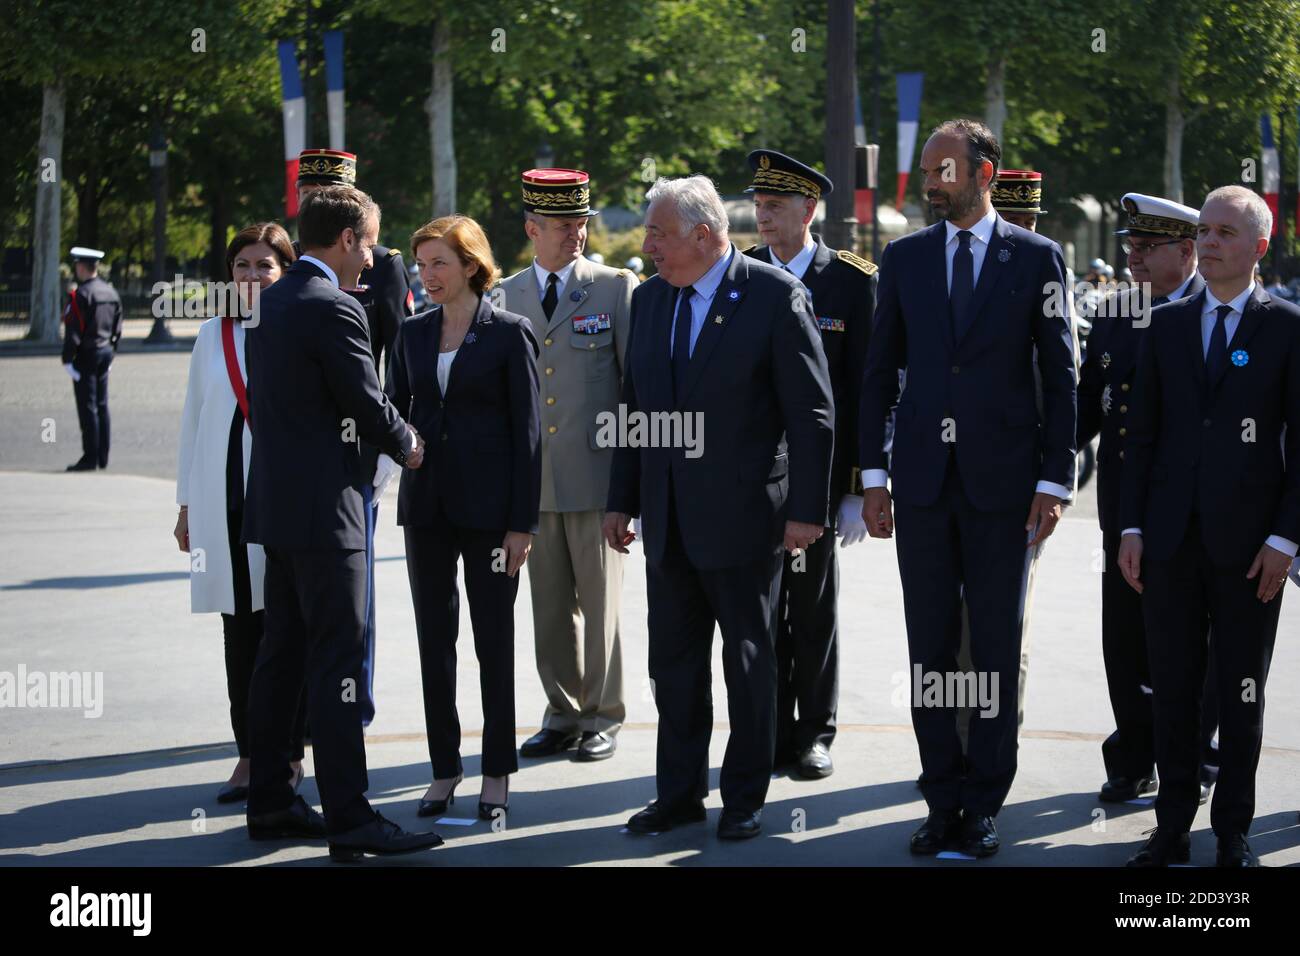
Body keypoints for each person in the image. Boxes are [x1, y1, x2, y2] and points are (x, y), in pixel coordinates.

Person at [859, 119, 1076, 859]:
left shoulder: (1038, 258)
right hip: (921, 484)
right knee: (930, 650)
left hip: (1005, 490)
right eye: (927, 171)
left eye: (943, 170)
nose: (930, 183)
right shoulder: (907, 259)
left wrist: (1054, 479)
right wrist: (875, 476)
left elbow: (1061, 378)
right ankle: (940, 797)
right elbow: (878, 370)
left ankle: (984, 802)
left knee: (992, 648)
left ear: (984, 174)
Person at [604, 175, 834, 840]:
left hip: (744, 520)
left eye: (657, 234)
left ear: (703, 236)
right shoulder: (650, 301)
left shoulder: (774, 296)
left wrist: (807, 510)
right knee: (672, 667)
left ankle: (744, 798)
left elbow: (812, 414)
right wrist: (622, 498)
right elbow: (634, 408)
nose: (646, 246)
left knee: (748, 661)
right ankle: (678, 795)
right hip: (667, 521)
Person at [241, 185, 442, 861]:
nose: (377, 256)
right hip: (329, 512)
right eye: (374, 241)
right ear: (349, 238)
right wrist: (410, 443)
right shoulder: (334, 306)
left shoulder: (269, 301)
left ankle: (269, 800)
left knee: (282, 657)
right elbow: (365, 397)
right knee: (338, 665)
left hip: (279, 509)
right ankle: (351, 818)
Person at [1118, 186, 1300, 868]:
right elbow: (1142, 438)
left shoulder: (1284, 328)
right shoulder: (1165, 323)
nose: (1212, 241)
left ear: (1258, 248)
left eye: (1227, 232)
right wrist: (1132, 528)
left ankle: (1232, 831)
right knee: (1173, 688)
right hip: (1168, 541)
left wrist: (1284, 540)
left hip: (1252, 550)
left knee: (1242, 691)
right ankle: (1170, 829)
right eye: (1208, 230)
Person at [386, 215, 541, 820]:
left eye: (439, 264)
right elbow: (392, 409)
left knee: (493, 641)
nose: (427, 275)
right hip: (426, 509)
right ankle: (444, 768)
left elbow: (529, 437)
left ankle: (497, 769)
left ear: (472, 265)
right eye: (422, 265)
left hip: (492, 515)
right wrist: (399, 445)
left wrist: (521, 524)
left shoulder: (509, 332)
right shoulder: (412, 333)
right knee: (434, 642)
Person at [1078, 193, 1219, 806]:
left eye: (1145, 247)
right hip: (1123, 508)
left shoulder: (1215, 313)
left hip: (1196, 510)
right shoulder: (1114, 313)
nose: (1131, 258)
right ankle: (1135, 756)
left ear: (1186, 253)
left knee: (1200, 641)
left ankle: (1195, 755)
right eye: (1129, 247)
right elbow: (1086, 407)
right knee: (1126, 638)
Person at [743, 148, 876, 779]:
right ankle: (768, 730)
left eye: (775, 206)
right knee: (760, 613)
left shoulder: (852, 281)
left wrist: (857, 486)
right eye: (758, 206)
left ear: (809, 209)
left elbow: (867, 394)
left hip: (819, 481)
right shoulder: (738, 275)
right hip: (753, 482)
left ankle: (815, 731)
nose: (763, 217)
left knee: (813, 610)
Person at [499, 169, 635, 763]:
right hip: (534, 484)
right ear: (532, 229)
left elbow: (634, 388)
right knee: (549, 608)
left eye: (580, 224)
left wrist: (631, 486)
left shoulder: (614, 287)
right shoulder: (503, 295)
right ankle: (562, 713)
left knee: (602, 607)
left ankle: (603, 715)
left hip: (599, 479)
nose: (574, 235)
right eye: (560, 226)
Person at [175, 222, 307, 804]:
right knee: (240, 631)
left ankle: (290, 755)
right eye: (242, 266)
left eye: (265, 265)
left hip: (283, 498)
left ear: (286, 269)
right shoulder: (211, 333)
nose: (252, 276)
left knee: (285, 628)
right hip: (222, 500)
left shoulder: (302, 322)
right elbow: (193, 419)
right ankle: (248, 756)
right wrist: (185, 505)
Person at [294, 147, 415, 726]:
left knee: (351, 590)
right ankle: (301, 708)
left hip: (358, 448)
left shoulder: (381, 264)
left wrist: (392, 442)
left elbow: (400, 355)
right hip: (293, 444)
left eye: (326, 192)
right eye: (308, 192)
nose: (313, 200)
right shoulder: (282, 259)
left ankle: (350, 704)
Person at [61, 247, 123, 471]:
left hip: (87, 354)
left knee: (87, 407)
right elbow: (118, 327)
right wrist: (112, 351)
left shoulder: (80, 295)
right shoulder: (111, 293)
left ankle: (89, 458)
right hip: (106, 351)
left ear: (80, 267)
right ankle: (102, 457)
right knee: (102, 405)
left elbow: (73, 330)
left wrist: (67, 359)